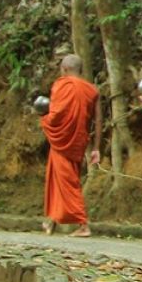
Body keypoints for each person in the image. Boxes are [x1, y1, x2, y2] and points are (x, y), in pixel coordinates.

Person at [41, 54, 101, 238]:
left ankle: (83, 224)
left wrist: (44, 120)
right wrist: (96, 147)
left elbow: (56, 114)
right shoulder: (92, 90)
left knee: (68, 182)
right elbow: (98, 119)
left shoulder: (61, 85)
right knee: (61, 180)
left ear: (65, 69)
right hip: (78, 140)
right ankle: (51, 221)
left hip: (62, 140)